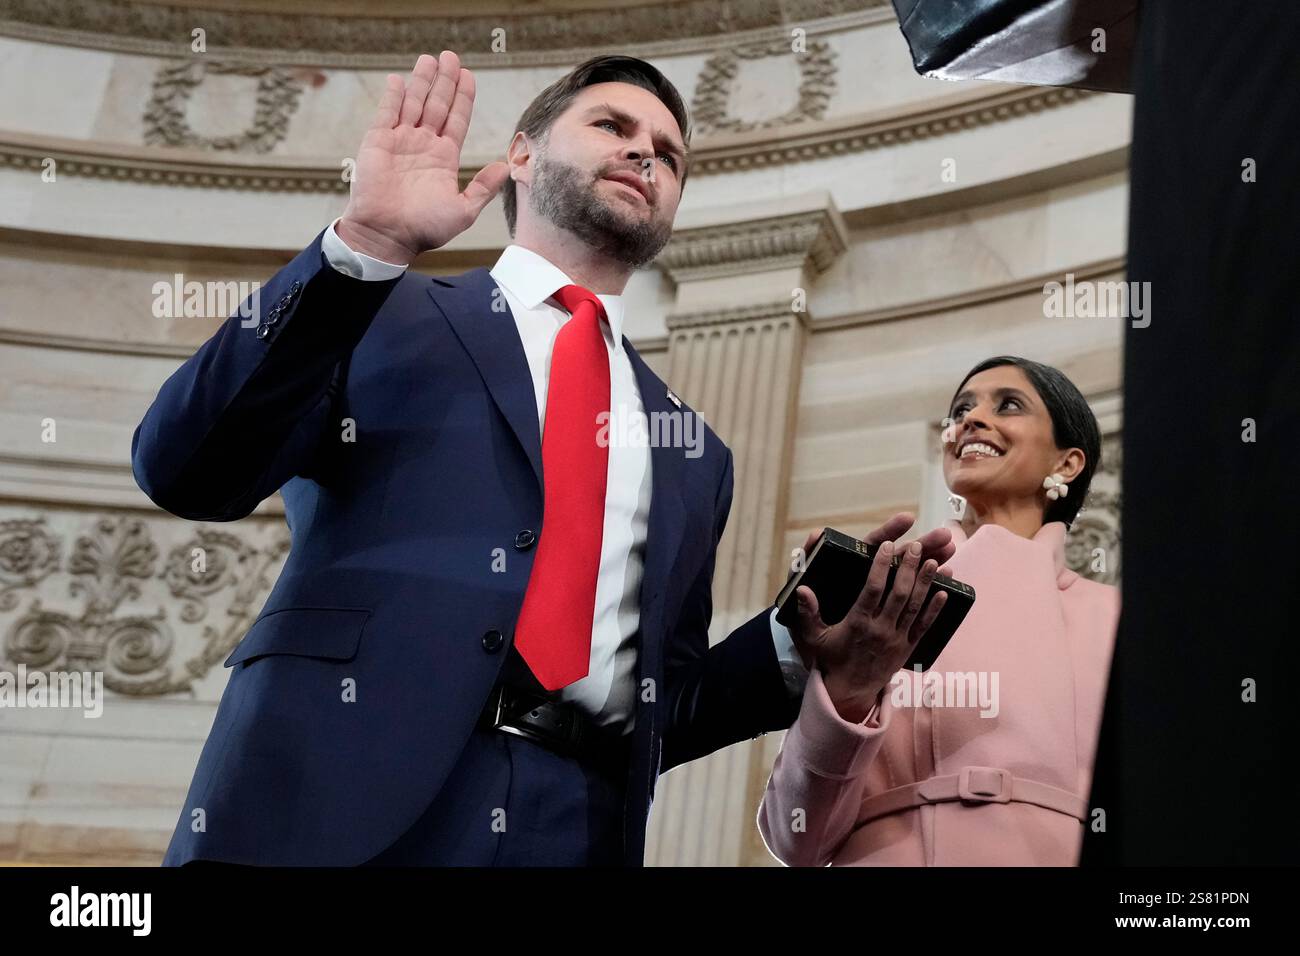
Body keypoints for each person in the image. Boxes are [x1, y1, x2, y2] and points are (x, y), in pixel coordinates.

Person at [134, 51, 954, 866]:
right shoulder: (380, 308)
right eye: (613, 126)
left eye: (670, 156)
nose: (646, 155)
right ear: (522, 155)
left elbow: (665, 708)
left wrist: (800, 643)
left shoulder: (696, 451)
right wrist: (365, 246)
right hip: (325, 803)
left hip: (574, 828)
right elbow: (186, 466)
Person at [759, 356, 1119, 866]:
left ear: (1067, 463)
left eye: (1009, 405)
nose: (970, 420)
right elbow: (794, 838)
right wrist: (848, 688)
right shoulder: (880, 610)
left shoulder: (1114, 618)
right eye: (961, 409)